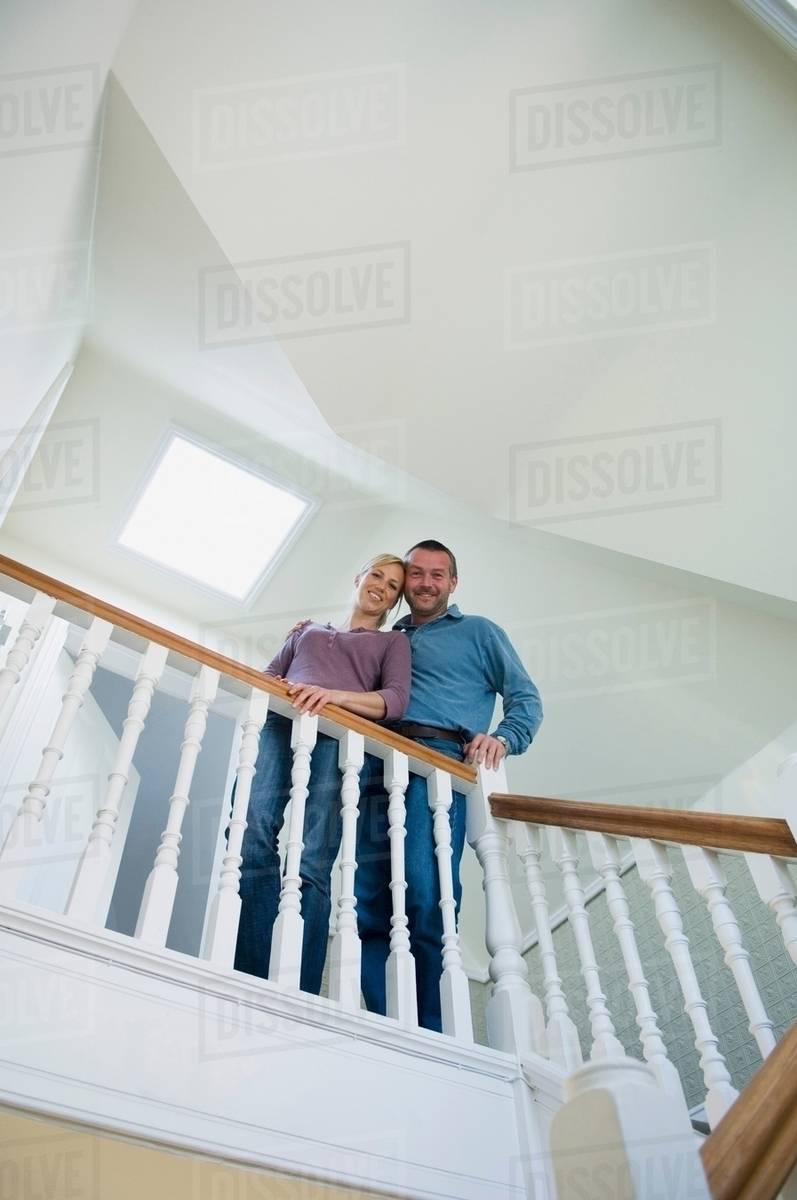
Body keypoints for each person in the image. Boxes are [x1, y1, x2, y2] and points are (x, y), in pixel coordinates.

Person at [355, 539, 542, 1032]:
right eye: (416, 573)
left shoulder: (479, 632)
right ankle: (388, 1023)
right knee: (366, 901)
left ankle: (434, 1029)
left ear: (453, 583)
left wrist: (504, 737)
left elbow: (525, 699)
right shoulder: (387, 638)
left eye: (437, 574)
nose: (425, 583)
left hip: (436, 765)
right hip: (373, 764)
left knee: (425, 892)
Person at [234, 554, 411, 995]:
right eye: (376, 575)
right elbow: (268, 677)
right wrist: (288, 682)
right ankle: (253, 972)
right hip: (280, 725)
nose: (381, 586)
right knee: (249, 831)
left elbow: (394, 701)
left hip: (338, 740)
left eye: (392, 585)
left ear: (395, 601)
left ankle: (299, 988)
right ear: (358, 576)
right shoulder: (308, 630)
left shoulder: (392, 643)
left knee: (312, 860)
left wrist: (330, 696)